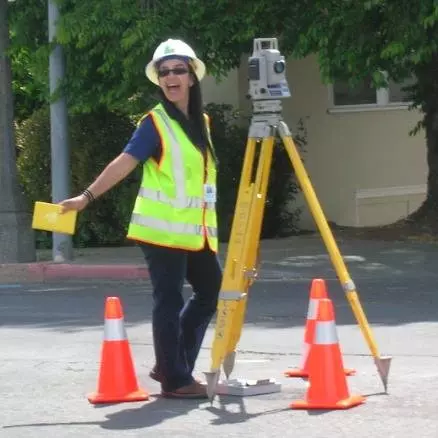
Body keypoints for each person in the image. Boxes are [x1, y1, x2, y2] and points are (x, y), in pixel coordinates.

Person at [59, 38, 222, 399]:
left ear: (192, 77)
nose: (170, 77)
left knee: (210, 291)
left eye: (178, 70)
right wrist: (87, 197)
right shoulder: (154, 123)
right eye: (164, 72)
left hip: (194, 232)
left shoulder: (202, 122)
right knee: (169, 299)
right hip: (161, 230)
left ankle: (171, 365)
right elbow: (124, 162)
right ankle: (176, 378)